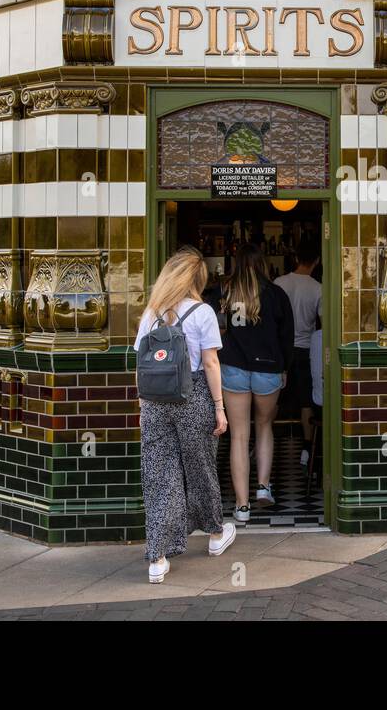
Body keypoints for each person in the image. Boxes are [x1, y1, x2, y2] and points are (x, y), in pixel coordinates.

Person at [134, 246, 234, 584]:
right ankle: (215, 535)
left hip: (155, 402)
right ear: (197, 279)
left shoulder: (151, 312)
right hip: (193, 397)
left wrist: (142, 405)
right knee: (200, 467)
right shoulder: (203, 312)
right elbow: (210, 363)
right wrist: (220, 408)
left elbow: (140, 363)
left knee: (160, 476)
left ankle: (158, 558)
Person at [216, 243, 294, 522]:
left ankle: (242, 506)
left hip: (233, 368)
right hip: (268, 369)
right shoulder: (276, 294)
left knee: (238, 435)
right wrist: (284, 368)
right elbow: (288, 337)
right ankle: (262, 487)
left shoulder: (225, 292)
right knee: (264, 426)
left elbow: (217, 331)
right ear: (263, 263)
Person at [274, 239, 321, 466]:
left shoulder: (279, 283)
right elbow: (323, 322)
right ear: (317, 261)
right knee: (306, 402)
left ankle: (262, 443)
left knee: (273, 400)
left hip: (281, 350)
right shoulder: (318, 288)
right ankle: (306, 449)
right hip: (305, 350)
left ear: (295, 258)